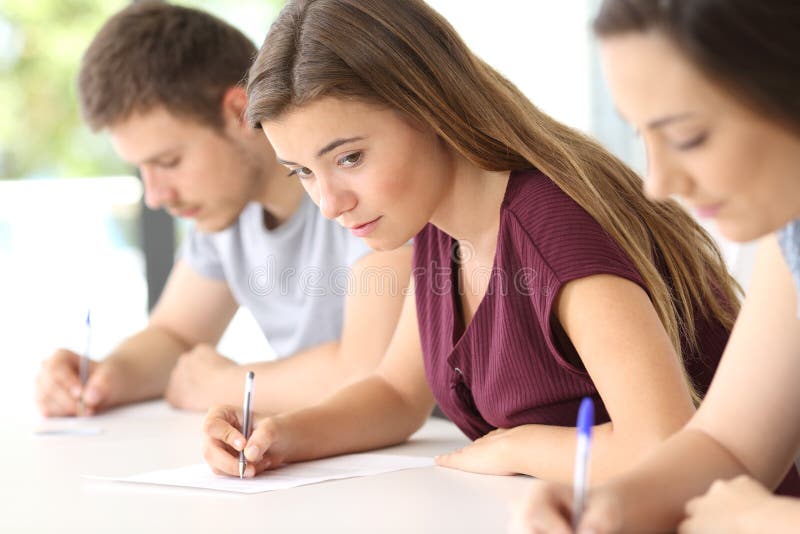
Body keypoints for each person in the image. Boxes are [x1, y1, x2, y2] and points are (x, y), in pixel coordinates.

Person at [198, 0, 762, 487]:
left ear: (432, 109)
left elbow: (660, 443)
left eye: (350, 158)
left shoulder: (556, 234)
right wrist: (278, 436)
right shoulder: (434, 223)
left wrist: (514, 447)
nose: (329, 202)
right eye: (302, 172)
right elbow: (397, 393)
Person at [34, 1, 411, 417]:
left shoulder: (354, 190)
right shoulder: (227, 214)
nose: (155, 195)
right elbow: (175, 336)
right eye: (141, 168)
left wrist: (223, 386)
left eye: (169, 162)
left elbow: (365, 372)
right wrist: (101, 377)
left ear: (238, 113)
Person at [511, 1, 800, 532]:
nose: (658, 184)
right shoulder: (792, 236)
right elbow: (729, 447)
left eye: (688, 137)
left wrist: (766, 521)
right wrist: (614, 504)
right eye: (643, 135)